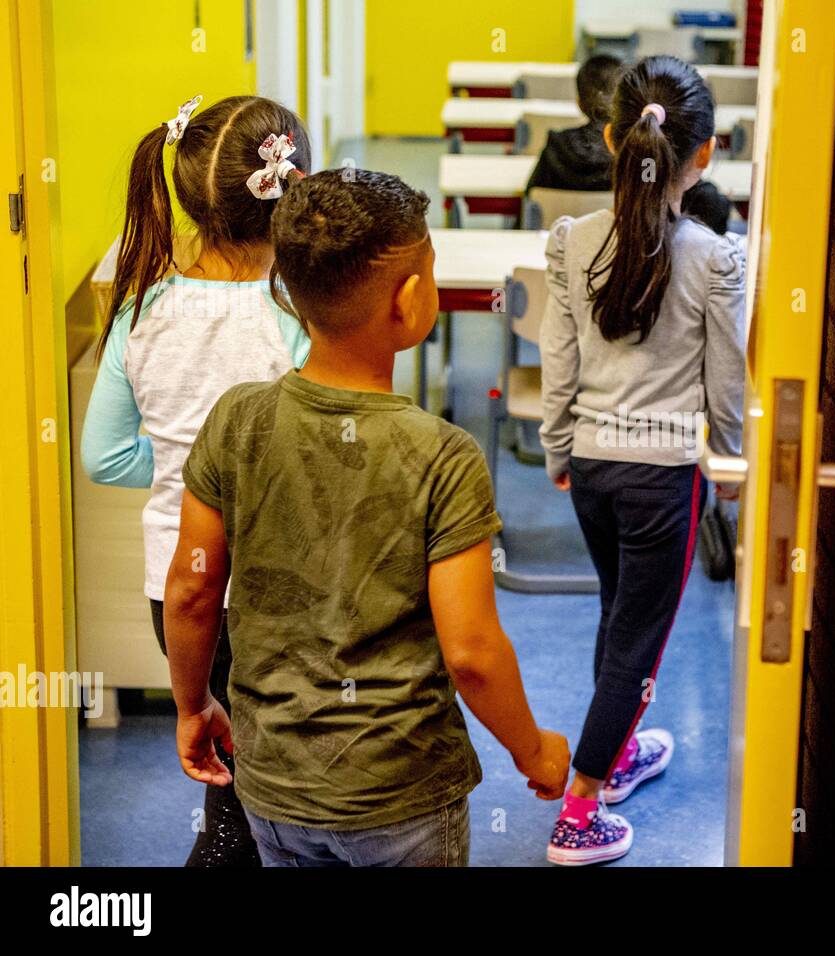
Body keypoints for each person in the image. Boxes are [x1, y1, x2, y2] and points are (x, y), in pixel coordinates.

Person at [162, 168, 570, 867]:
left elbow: (193, 591)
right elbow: (471, 651)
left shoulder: (236, 420)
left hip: (274, 784)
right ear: (411, 300)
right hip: (402, 793)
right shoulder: (442, 456)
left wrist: (193, 706)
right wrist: (534, 749)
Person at [81, 94, 314, 867]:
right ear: (294, 187)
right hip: (280, 588)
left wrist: (191, 477)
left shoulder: (139, 306)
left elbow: (105, 455)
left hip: (176, 590)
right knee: (263, 800)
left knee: (231, 784)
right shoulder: (292, 318)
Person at [539, 56, 746, 865]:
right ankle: (580, 812)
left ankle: (616, 756)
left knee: (619, 615)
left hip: (590, 469)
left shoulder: (571, 240)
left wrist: (558, 447)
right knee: (639, 642)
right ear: (707, 153)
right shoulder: (716, 259)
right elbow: (725, 386)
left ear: (609, 137)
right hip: (664, 481)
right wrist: (726, 474)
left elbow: (561, 359)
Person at [525, 54, 623, 193]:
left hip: (557, 215)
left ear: (579, 104)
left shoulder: (555, 148)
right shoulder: (631, 155)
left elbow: (531, 198)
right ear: (624, 103)